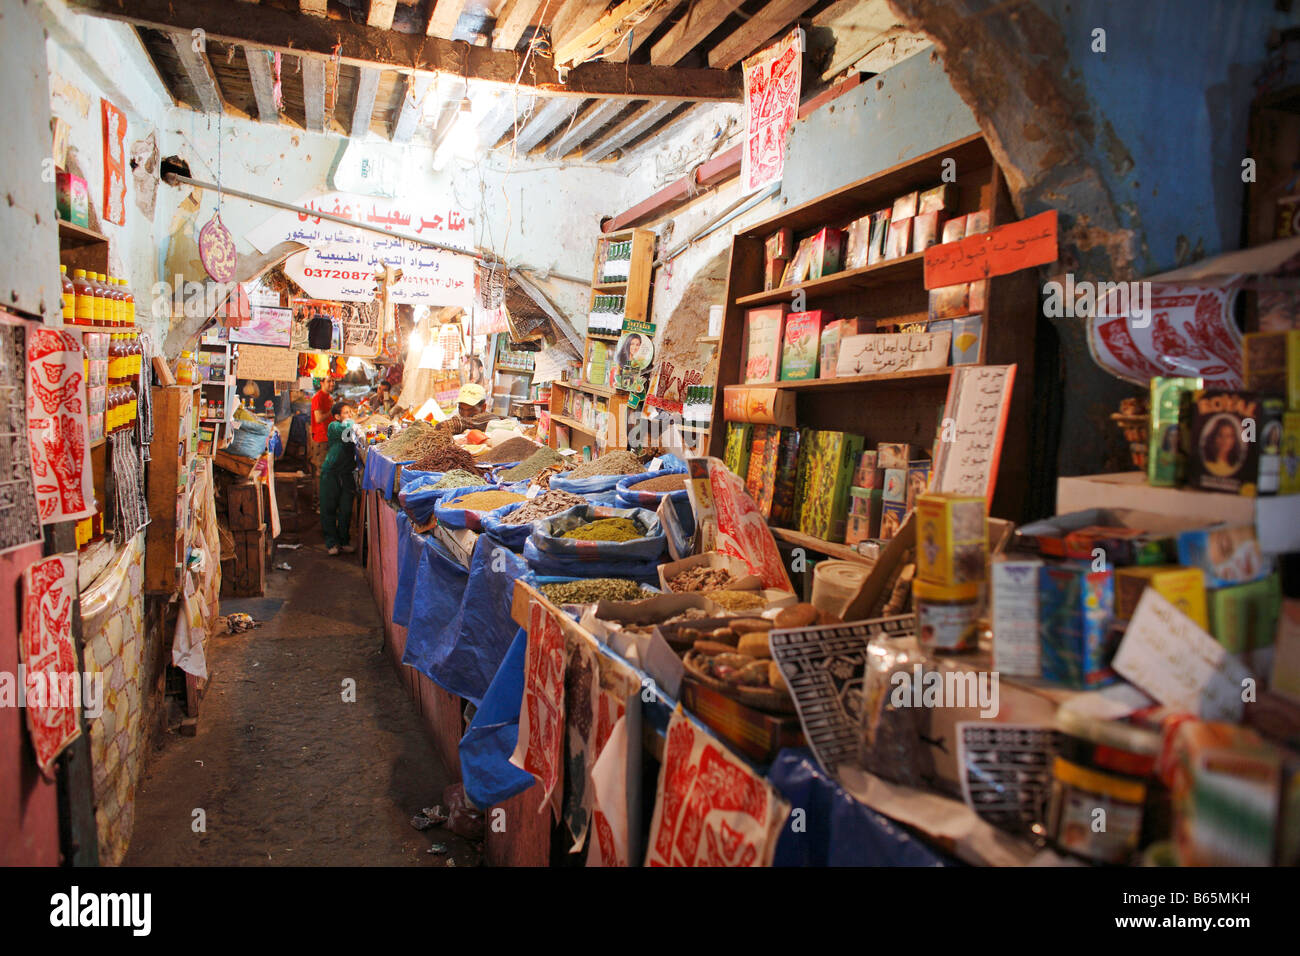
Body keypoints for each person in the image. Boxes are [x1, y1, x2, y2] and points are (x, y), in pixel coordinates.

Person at [319, 400, 357, 555]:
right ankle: (331, 543)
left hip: (346, 472)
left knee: (346, 509)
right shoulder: (334, 426)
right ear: (337, 416)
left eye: (350, 411)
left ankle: (344, 540)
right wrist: (352, 421)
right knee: (329, 508)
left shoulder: (350, 426)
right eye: (346, 412)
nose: (350, 415)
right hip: (331, 472)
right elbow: (346, 428)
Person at [309, 377, 336, 474]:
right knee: (321, 470)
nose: (332, 383)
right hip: (321, 439)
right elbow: (318, 418)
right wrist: (332, 410)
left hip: (329, 438)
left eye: (333, 381)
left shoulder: (329, 398)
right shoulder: (318, 397)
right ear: (321, 383)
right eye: (329, 381)